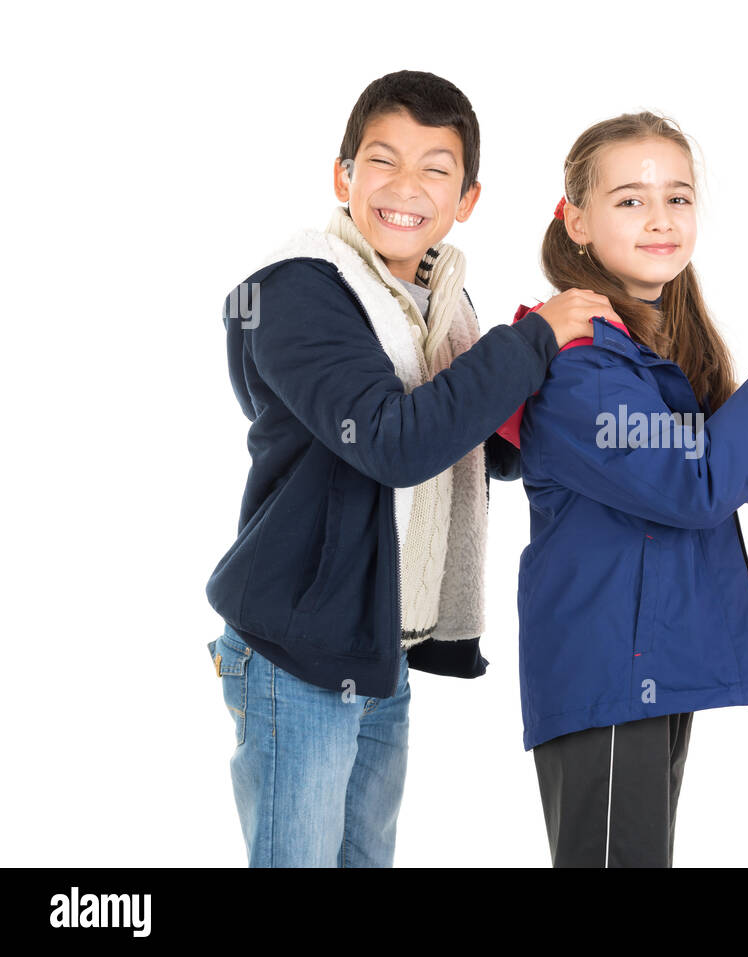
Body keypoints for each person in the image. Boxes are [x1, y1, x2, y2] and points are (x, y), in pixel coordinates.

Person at [205, 70, 606, 867]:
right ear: (342, 176)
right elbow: (394, 442)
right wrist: (530, 347)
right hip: (296, 654)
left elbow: (471, 448)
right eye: (382, 162)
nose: (405, 187)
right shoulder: (298, 289)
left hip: (376, 646)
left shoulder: (439, 302)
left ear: (468, 199)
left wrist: (566, 402)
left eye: (436, 169)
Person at [493, 111, 748, 867]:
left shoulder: (647, 349)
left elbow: (745, 472)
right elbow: (697, 482)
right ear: (576, 222)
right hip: (610, 671)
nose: (661, 219)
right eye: (630, 199)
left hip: (648, 667)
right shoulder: (581, 368)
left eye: (678, 198)